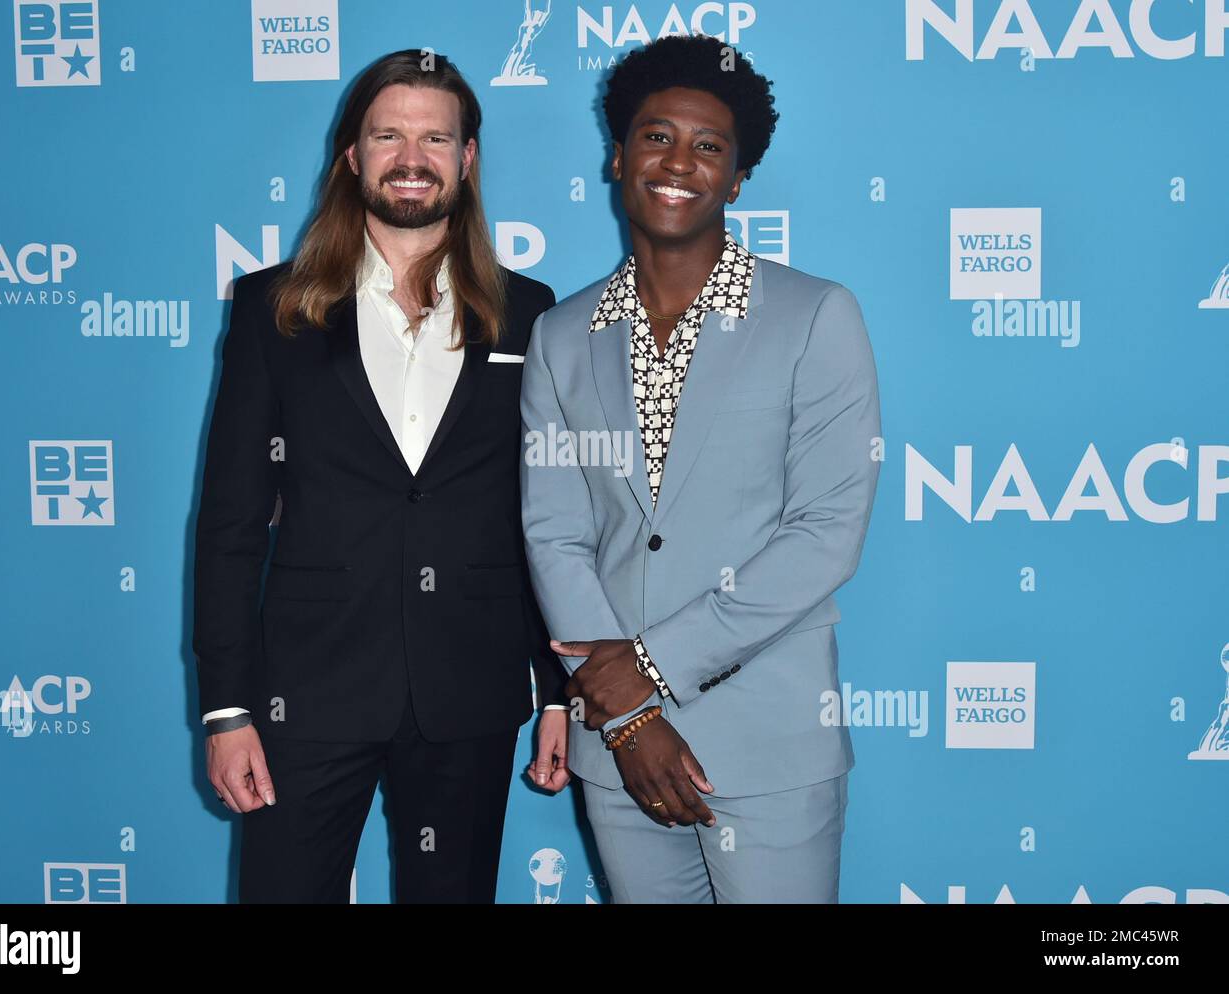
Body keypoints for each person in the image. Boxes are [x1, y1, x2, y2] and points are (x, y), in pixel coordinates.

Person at [194, 49, 569, 904]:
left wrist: (559, 694)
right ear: (352, 155)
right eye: (388, 134)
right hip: (305, 696)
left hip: (467, 691)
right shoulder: (273, 308)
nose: (413, 157)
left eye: (436, 138)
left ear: (467, 159)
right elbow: (229, 525)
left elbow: (545, 520)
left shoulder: (528, 311)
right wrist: (228, 710)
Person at [521, 34, 881, 903]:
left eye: (708, 146)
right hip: (622, 755)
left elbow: (825, 535)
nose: (678, 162)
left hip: (769, 745)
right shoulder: (561, 336)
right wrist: (633, 719)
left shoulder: (814, 316)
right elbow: (556, 530)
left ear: (738, 175)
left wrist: (647, 669)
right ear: (617, 155)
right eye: (656, 136)